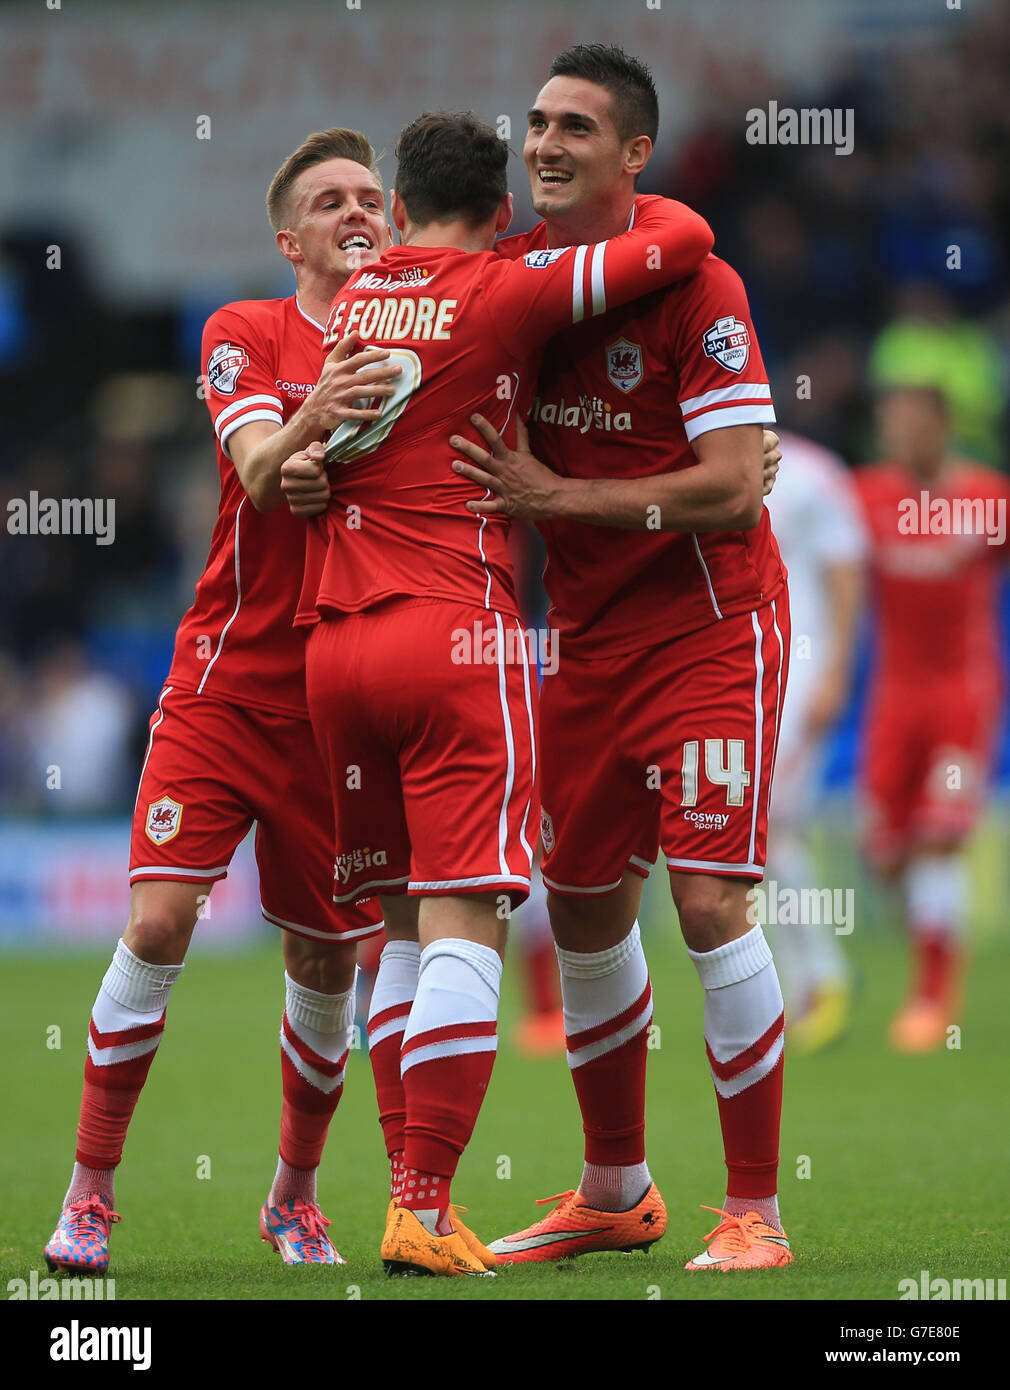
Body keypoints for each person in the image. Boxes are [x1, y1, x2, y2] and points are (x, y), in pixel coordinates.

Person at [284, 110, 716, 1276]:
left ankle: (402, 1200)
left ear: (400, 198)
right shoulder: (503, 289)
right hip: (450, 637)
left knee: (396, 935)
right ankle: (423, 1201)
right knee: (467, 914)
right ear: (497, 209)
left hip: (333, 647)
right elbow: (677, 237)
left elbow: (290, 464)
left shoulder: (353, 300)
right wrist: (553, 229)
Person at [451, 45, 793, 1272]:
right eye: (536, 122)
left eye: (574, 129)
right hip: (585, 644)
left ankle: (756, 1210)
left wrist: (562, 491)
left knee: (704, 901)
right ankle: (614, 1190)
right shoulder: (511, 276)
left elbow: (725, 494)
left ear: (632, 154)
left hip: (708, 628)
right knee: (584, 906)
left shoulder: (702, 287)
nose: (542, 143)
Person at [43, 128, 401, 1275]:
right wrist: (303, 438)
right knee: (156, 923)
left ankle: (292, 1197)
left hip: (340, 705)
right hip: (224, 689)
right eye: (329, 201)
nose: (357, 212)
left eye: (370, 198)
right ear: (288, 237)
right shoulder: (242, 331)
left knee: (325, 962)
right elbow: (255, 469)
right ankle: (89, 1193)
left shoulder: (424, 350)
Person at [854, 385, 1009, 1052]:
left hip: (962, 696)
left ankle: (931, 996)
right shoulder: (864, 498)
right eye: (891, 422)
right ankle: (940, 941)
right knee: (885, 852)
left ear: (943, 426)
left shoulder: (989, 498)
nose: (901, 435)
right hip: (893, 698)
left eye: (913, 422)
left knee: (936, 840)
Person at [762, 431, 866, 1053]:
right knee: (755, 838)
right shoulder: (707, 457)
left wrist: (836, 671)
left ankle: (820, 980)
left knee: (771, 829)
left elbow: (845, 570)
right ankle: (803, 984)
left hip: (801, 675)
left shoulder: (815, 472)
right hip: (743, 673)